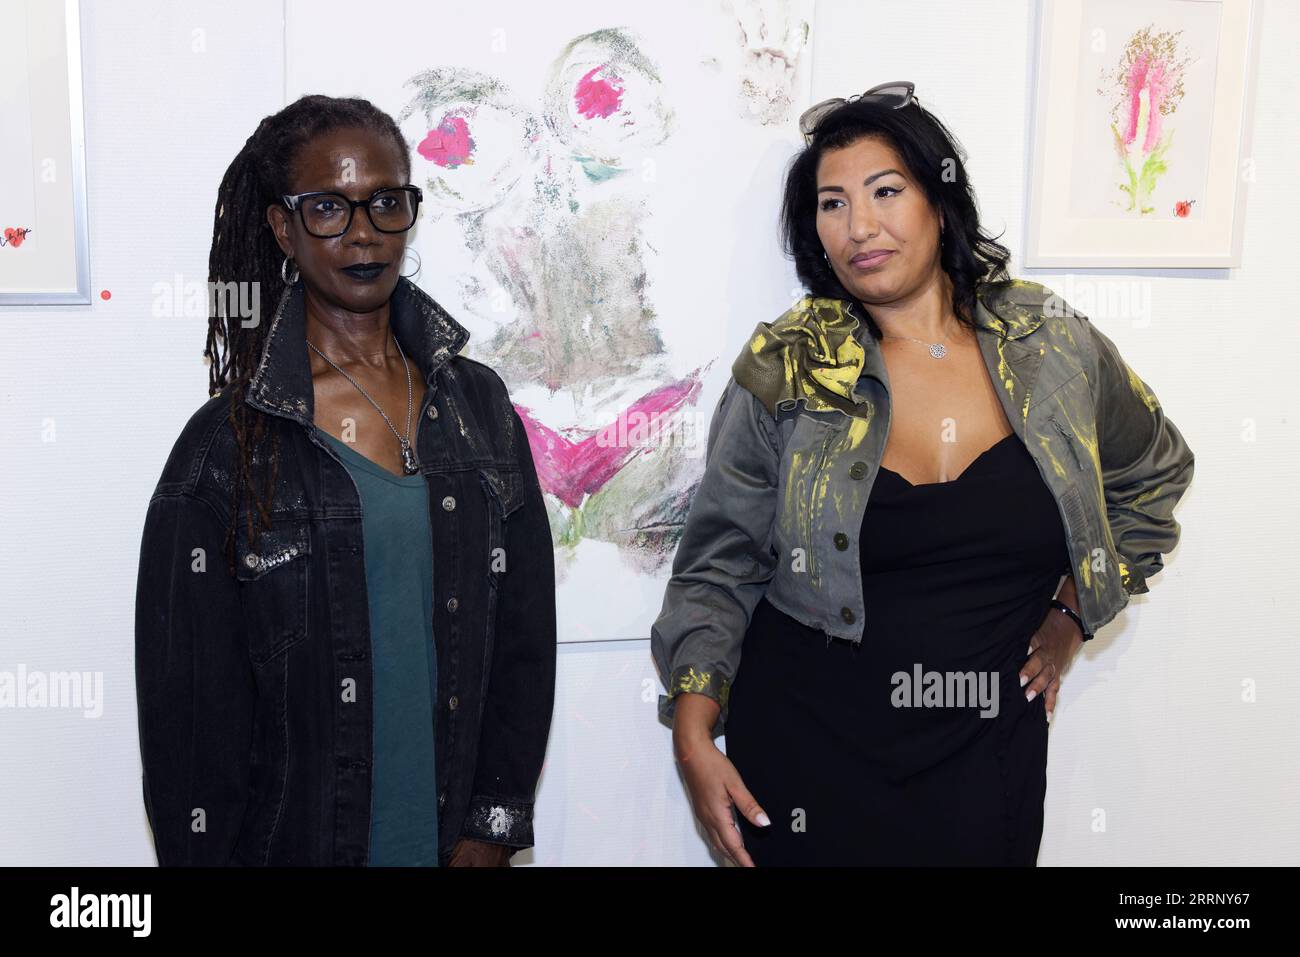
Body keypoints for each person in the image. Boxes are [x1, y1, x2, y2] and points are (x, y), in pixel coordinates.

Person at [650, 82, 1194, 866]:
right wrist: (695, 734)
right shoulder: (789, 363)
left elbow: (1155, 475)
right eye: (831, 204)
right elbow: (718, 559)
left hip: (984, 758)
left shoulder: (1050, 344)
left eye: (885, 191)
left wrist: (1072, 614)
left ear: (941, 202)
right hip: (808, 757)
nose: (859, 226)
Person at [134, 95, 556, 866]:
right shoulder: (225, 450)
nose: (362, 233)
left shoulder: (480, 404)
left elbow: (525, 644)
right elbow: (190, 723)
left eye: (385, 203)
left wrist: (492, 830)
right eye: (328, 207)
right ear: (281, 228)